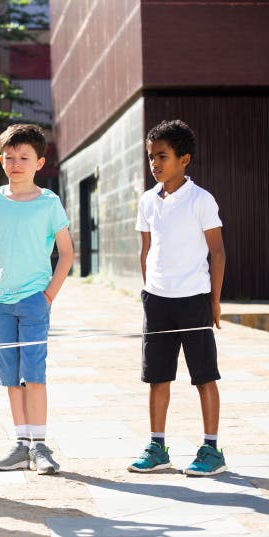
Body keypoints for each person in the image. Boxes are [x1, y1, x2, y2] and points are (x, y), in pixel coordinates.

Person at [128, 119, 227, 476]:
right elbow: (146, 250)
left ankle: (212, 450)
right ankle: (157, 448)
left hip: (194, 300)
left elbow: (217, 252)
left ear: (184, 159)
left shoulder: (201, 200)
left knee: (204, 375)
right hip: (157, 301)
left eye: (163, 156)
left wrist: (214, 301)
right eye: (151, 157)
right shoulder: (147, 201)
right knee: (157, 376)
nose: (155, 163)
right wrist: (149, 292)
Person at [0, 124, 73, 475]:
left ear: (39, 162)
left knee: (35, 374)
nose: (16, 163)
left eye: (24, 157)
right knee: (11, 376)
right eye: (10, 157)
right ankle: (20, 444)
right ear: (1, 160)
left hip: (34, 299)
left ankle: (40, 446)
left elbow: (66, 253)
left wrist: (48, 295)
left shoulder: (49, 202)